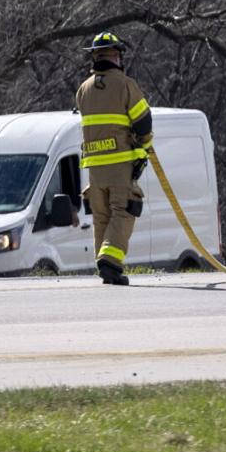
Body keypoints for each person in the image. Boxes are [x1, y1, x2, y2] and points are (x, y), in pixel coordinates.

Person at [75, 32, 153, 286]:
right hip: (120, 165)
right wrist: (144, 149)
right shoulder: (125, 84)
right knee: (125, 209)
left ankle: (105, 265)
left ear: (95, 57)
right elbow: (143, 123)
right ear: (116, 56)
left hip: (94, 169)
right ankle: (110, 259)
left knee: (102, 216)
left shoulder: (83, 90)